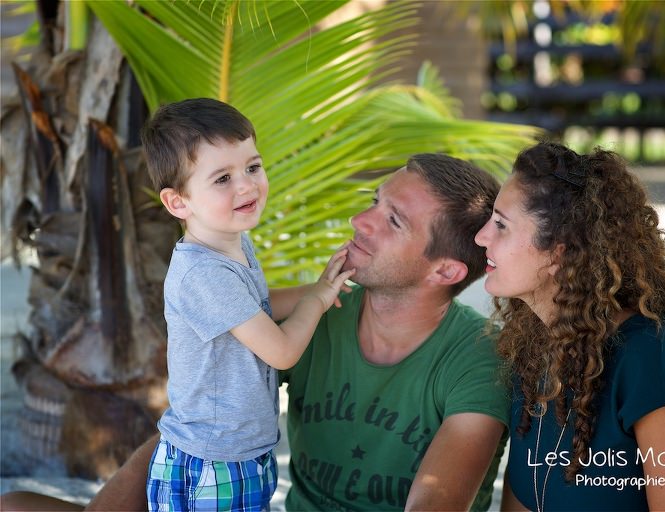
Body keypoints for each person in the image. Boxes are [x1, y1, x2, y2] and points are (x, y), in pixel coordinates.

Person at [0, 153, 510, 511]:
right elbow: (197, 422)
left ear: (445, 272)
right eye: (373, 201)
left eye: (392, 221)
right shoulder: (315, 313)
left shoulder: (478, 358)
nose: (359, 220)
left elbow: (436, 503)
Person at [474, 141, 665, 511]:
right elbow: (525, 498)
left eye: (501, 225)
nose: (481, 237)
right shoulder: (531, 342)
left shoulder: (654, 358)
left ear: (560, 251)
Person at [141, 97, 354, 511]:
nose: (246, 185)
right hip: (215, 460)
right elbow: (282, 349)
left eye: (252, 167)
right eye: (222, 179)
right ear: (178, 202)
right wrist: (318, 301)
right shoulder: (204, 273)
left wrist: (317, 287)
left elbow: (256, 307)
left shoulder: (232, 243)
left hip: (231, 449)